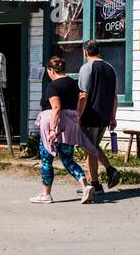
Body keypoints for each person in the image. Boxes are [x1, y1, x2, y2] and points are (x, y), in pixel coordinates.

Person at [31, 55, 98, 205]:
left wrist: (53, 130)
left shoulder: (53, 86)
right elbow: (83, 96)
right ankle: (85, 186)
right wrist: (78, 114)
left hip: (53, 125)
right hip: (70, 125)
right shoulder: (73, 84)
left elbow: (56, 107)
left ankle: (46, 194)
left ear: (51, 70)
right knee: (67, 159)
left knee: (46, 159)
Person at [77, 39, 121, 195]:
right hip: (104, 116)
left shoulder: (86, 68)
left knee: (90, 150)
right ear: (99, 50)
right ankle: (110, 171)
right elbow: (115, 97)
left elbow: (83, 95)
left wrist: (78, 115)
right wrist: (113, 117)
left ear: (85, 52)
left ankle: (95, 185)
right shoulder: (110, 68)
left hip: (90, 115)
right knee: (94, 146)